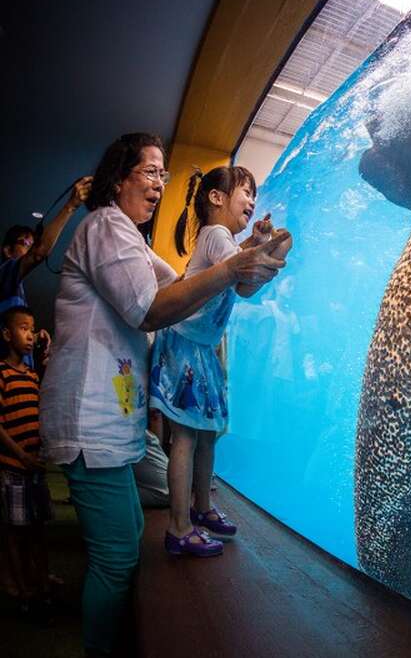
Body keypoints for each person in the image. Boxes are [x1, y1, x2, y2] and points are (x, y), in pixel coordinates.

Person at [39, 133, 289, 657]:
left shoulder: (129, 238)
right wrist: (231, 267)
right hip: (89, 422)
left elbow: (185, 283)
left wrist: (245, 256)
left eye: (163, 175)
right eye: (151, 172)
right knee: (115, 557)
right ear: (119, 175)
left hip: (112, 424)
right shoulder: (105, 225)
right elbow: (150, 310)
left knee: (128, 531)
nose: (159, 184)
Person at [149, 166, 291, 557]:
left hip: (201, 348)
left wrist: (257, 240)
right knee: (187, 438)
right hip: (185, 346)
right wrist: (268, 249)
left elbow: (240, 268)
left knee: (207, 433)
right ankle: (179, 527)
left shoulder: (224, 240)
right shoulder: (215, 235)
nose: (251, 200)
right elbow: (244, 280)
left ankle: (202, 507)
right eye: (245, 191)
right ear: (217, 198)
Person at [0, 306, 52, 616]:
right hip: (13, 469)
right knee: (16, 533)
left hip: (36, 469)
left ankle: (42, 585)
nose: (30, 335)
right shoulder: (2, 374)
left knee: (38, 531)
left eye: (32, 329)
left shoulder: (32, 376)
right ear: (7, 334)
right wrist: (19, 455)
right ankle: (23, 593)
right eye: (22, 328)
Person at [0, 176, 92, 313]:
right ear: (7, 250)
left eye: (32, 244)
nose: (31, 247)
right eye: (25, 242)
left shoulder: (17, 290)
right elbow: (38, 253)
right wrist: (70, 206)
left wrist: (34, 334)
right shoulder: (3, 273)